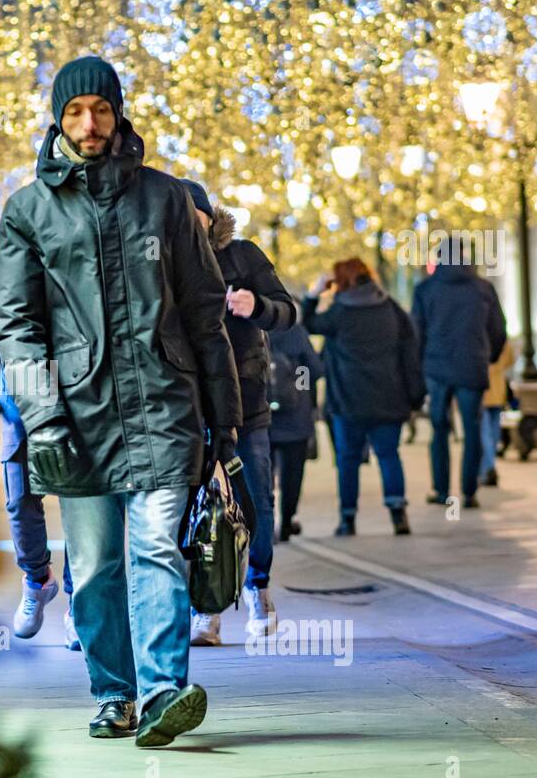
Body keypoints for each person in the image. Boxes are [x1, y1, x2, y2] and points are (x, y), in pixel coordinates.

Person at [0, 56, 241, 746]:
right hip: (74, 416)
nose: (89, 123)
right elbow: (17, 325)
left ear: (118, 113)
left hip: (164, 405)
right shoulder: (28, 211)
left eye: (100, 109)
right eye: (75, 112)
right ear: (58, 120)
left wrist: (227, 421)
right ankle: (114, 693)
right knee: (96, 565)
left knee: (159, 545)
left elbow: (205, 311)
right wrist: (40, 418)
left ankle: (164, 691)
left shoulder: (165, 200)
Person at [181, 187, 295, 645]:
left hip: (246, 405)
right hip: (188, 408)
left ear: (210, 217)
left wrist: (258, 306)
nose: (189, 224)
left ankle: (258, 589)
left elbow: (288, 313)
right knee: (192, 510)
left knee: (254, 501)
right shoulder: (167, 261)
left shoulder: (243, 255)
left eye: (195, 215)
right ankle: (205, 607)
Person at [0, 243, 78, 651]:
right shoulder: (9, 243)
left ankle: (79, 604)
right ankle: (37, 581)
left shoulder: (81, 226)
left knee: (79, 501)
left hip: (77, 392)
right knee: (19, 498)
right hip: (21, 392)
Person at [304, 258, 424, 536]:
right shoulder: (391, 308)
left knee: (348, 460)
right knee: (388, 454)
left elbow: (308, 324)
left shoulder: (339, 313)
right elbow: (410, 353)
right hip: (390, 397)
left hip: (348, 400)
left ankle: (348, 519)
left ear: (341, 282)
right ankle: (398, 513)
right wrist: (414, 395)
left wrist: (314, 293)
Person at [410, 239, 507, 510]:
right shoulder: (483, 289)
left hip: (437, 367)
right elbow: (498, 329)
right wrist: (489, 356)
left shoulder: (425, 289)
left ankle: (442, 490)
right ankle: (469, 491)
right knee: (472, 427)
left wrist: (419, 365)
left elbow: (416, 331)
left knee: (439, 428)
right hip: (472, 365)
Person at [266, 310, 323, 541]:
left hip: (261, 419)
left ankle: (264, 521)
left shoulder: (254, 330)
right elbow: (315, 370)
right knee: (292, 474)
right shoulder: (296, 333)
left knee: (262, 475)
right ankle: (287, 521)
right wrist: (299, 384)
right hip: (295, 420)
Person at [480, 341, 515, 487]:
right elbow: (510, 358)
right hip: (498, 386)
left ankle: (488, 468)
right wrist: (497, 367)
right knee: (494, 431)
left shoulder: (478, 329)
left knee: (484, 431)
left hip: (481, 386)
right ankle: (490, 463)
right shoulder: (499, 333)